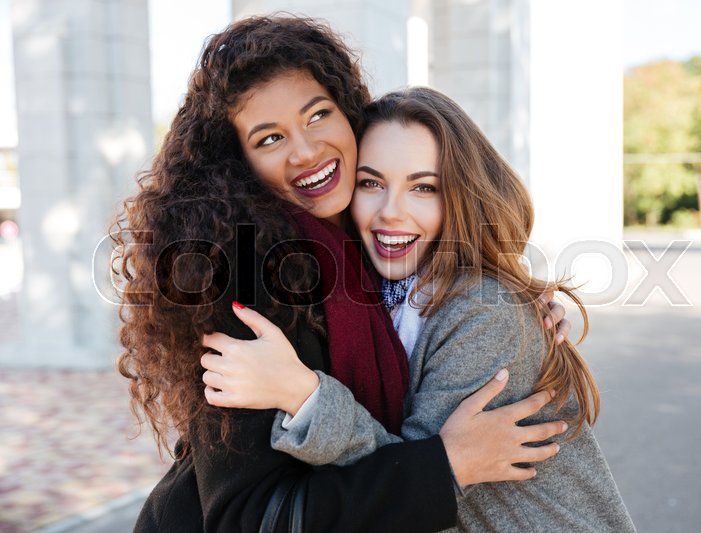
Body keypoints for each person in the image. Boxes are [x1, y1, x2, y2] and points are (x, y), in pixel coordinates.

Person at [113, 16, 572, 532]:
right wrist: (445, 466)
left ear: (348, 113)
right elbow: (248, 515)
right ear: (237, 165)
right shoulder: (252, 277)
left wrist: (510, 297)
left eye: (317, 115)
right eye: (269, 139)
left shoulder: (366, 245)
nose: (306, 151)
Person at [200, 87, 637, 531]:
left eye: (423, 187)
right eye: (371, 183)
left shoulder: (483, 315)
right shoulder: (369, 290)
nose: (391, 212)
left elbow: (415, 495)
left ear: (461, 197)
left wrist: (304, 396)